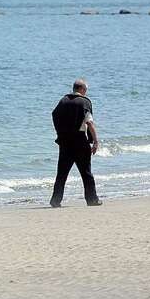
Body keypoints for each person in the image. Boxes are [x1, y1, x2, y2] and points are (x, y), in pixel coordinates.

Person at [50, 79, 102, 207]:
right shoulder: (84, 102)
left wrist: (60, 133)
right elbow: (89, 123)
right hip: (79, 141)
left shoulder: (63, 101)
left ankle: (55, 201)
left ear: (74, 88)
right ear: (83, 90)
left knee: (62, 173)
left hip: (65, 141)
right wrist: (95, 141)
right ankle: (92, 200)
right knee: (86, 173)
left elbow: (54, 114)